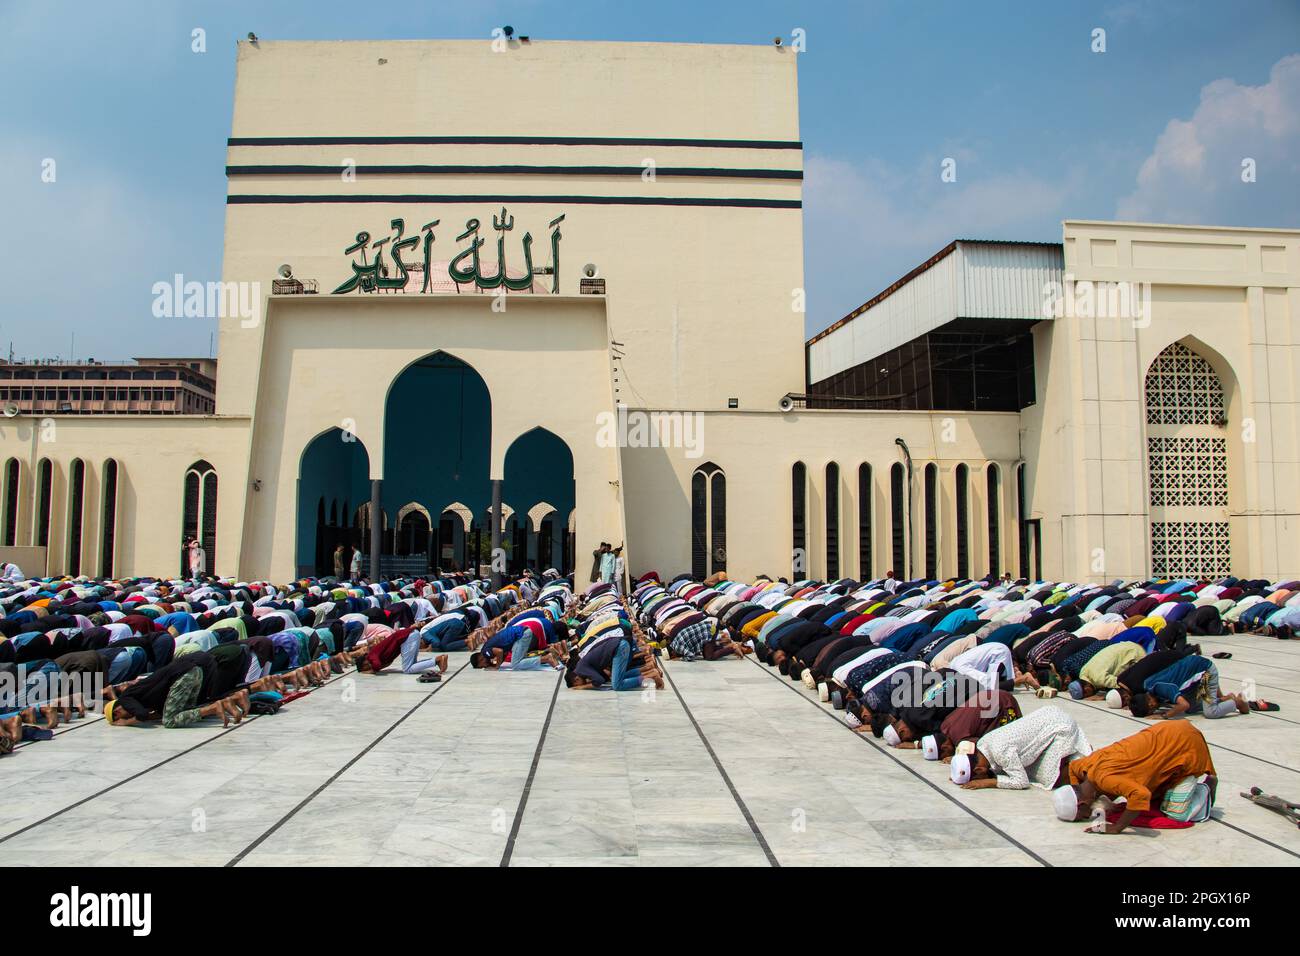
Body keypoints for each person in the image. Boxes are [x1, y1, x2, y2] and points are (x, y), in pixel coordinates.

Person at [1056, 720, 1217, 834]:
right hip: (1167, 731)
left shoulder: (1104, 779)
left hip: (1185, 743)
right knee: (1157, 794)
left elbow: (1141, 795)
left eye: (1081, 816)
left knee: (1177, 815)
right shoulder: (1084, 767)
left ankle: (1207, 787)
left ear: (1083, 803)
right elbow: (1072, 771)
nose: (1086, 816)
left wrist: (1117, 827)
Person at [953, 705, 1092, 791]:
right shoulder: (983, 743)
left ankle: (1085, 762)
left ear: (979, 770)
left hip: (1060, 726)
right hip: (1050, 714)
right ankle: (1077, 755)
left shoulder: (1000, 753)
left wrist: (987, 782)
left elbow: (1021, 782)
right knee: (1028, 767)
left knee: (1048, 778)